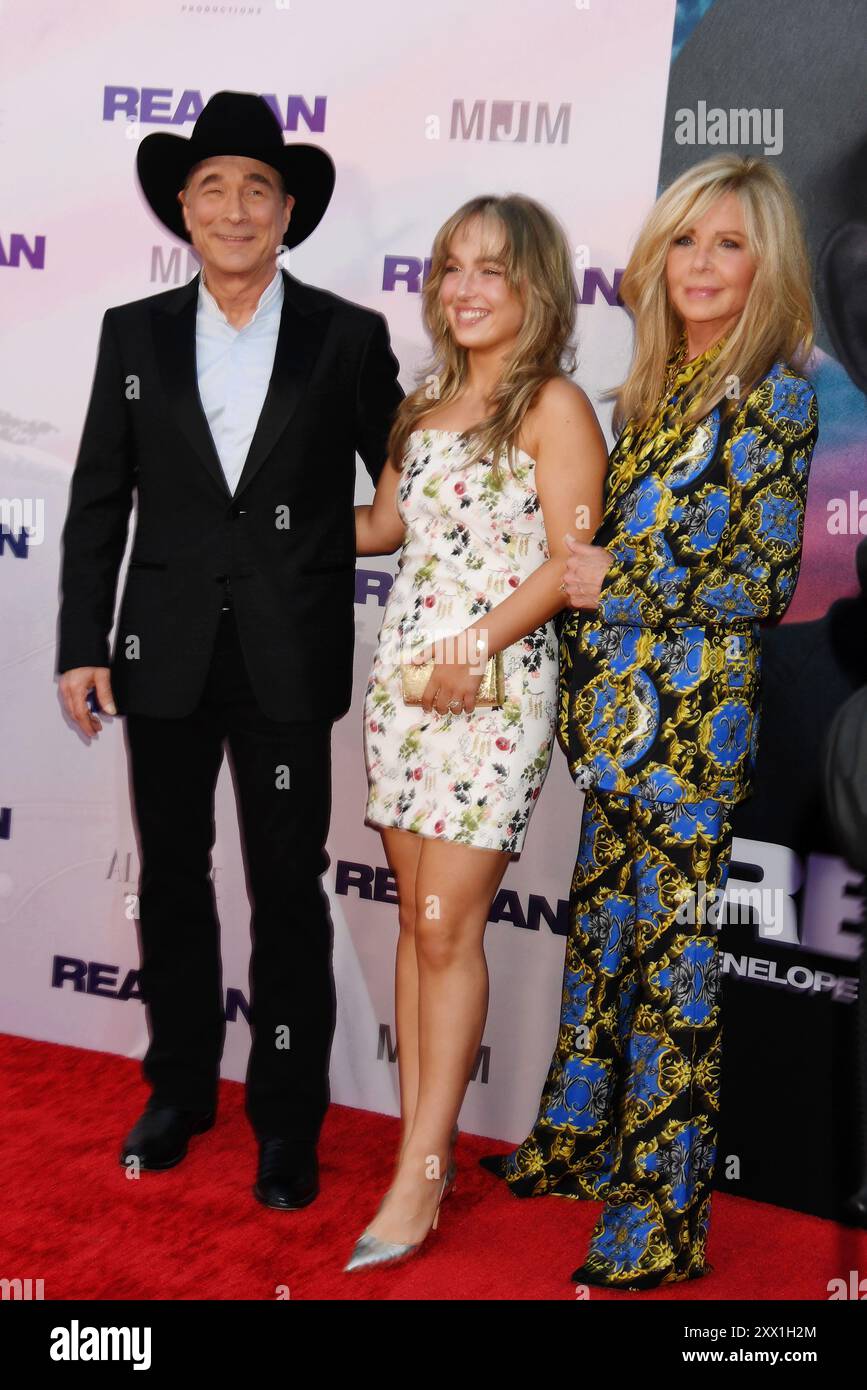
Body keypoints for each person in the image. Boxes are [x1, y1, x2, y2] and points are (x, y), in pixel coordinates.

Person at [56, 91, 403, 1210]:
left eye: (258, 187)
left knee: (290, 887)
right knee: (172, 879)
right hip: (158, 655)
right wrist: (81, 643)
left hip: (288, 658)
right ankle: (180, 1089)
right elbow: (100, 498)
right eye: (213, 188)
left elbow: (409, 475)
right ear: (184, 209)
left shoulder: (349, 336)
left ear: (289, 209)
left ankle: (288, 1116)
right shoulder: (132, 334)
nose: (236, 208)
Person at [480, 154, 820, 1290]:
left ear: (766, 262)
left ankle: (662, 1219)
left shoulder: (776, 387)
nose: (703, 264)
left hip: (689, 740)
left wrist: (607, 578)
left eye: (729, 243)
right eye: (686, 240)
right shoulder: (657, 384)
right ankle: (579, 1143)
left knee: (674, 974)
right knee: (597, 948)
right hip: (617, 724)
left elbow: (761, 577)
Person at [345, 193, 608, 1272]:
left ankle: (422, 1171)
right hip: (404, 694)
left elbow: (572, 562)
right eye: (451, 265)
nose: (463, 287)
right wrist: (256, 502)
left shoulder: (555, 407)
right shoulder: (424, 403)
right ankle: (423, 1145)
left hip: (488, 698)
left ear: (537, 286)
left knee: (449, 930)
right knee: (418, 924)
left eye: (491, 269)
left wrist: (475, 649)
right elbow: (383, 529)